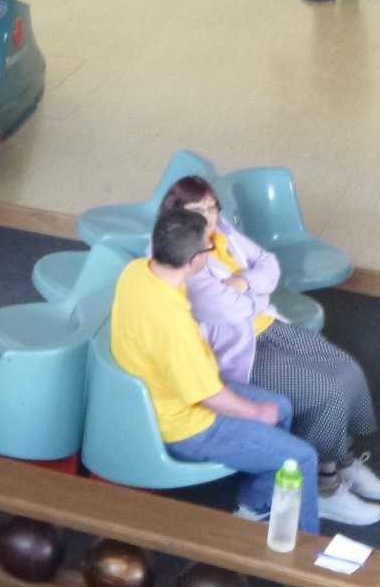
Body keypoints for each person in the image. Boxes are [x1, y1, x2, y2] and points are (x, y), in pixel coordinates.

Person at [158, 177, 380, 524]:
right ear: (176, 214)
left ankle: (340, 459)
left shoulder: (222, 230)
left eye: (212, 207)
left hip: (268, 325)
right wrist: (254, 290)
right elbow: (227, 311)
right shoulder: (181, 254)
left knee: (347, 368)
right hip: (239, 350)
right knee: (324, 390)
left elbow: (269, 264)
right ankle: (323, 486)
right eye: (198, 210)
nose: (209, 217)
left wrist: (242, 283)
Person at [111, 208, 320, 532]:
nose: (214, 248)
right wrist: (255, 412)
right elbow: (209, 396)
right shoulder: (173, 327)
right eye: (210, 246)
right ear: (195, 259)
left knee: (281, 407)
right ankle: (304, 550)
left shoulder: (137, 270)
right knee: (302, 458)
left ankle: (254, 504)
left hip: (161, 392)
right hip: (187, 425)